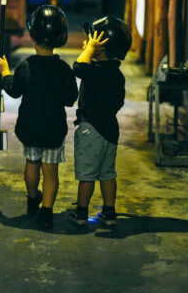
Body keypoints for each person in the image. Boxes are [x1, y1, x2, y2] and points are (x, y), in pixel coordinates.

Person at [0, 5, 78, 230]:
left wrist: (4, 72)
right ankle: (47, 213)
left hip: (30, 127)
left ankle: (32, 199)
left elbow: (13, 90)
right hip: (53, 129)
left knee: (32, 163)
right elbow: (71, 98)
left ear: (31, 36)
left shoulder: (25, 67)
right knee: (50, 170)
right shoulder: (63, 69)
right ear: (61, 37)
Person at [68, 16, 130, 227]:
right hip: (110, 129)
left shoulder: (95, 72)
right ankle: (109, 212)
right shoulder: (116, 73)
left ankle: (82, 212)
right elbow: (118, 103)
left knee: (87, 175)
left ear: (101, 48)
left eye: (92, 40)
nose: (86, 43)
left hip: (91, 129)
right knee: (107, 174)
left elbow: (78, 68)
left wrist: (89, 50)